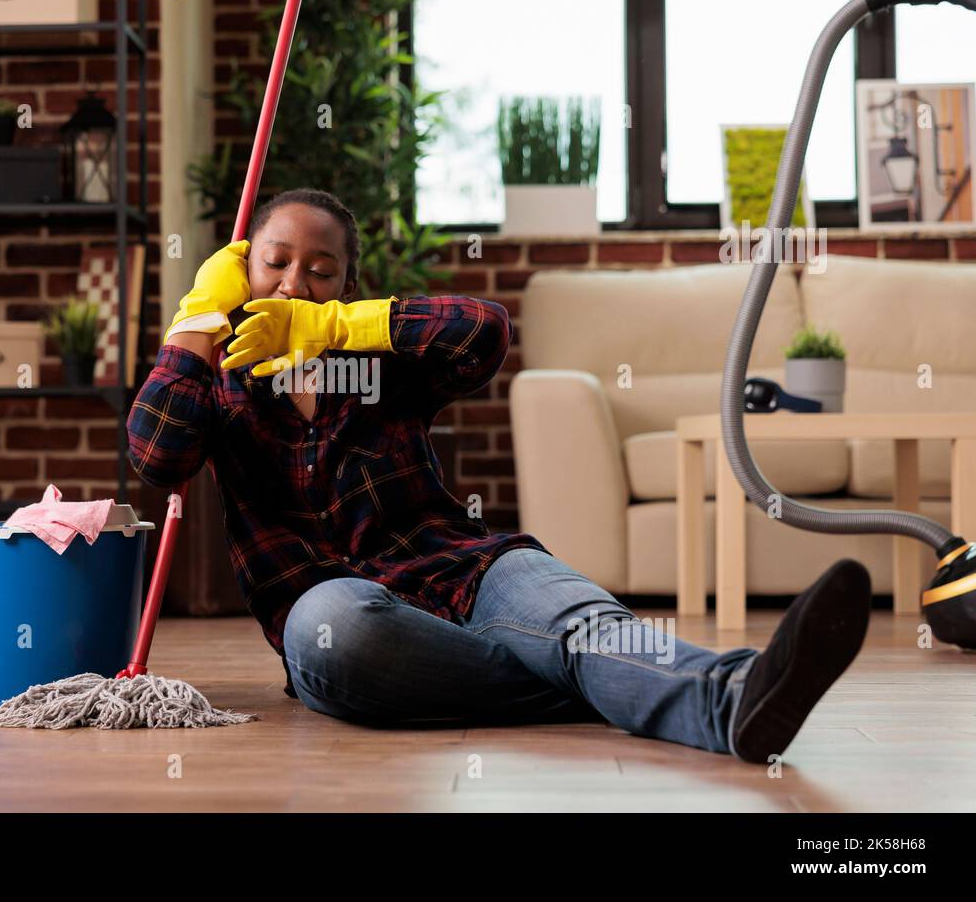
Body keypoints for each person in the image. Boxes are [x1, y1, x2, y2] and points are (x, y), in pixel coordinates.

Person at [127, 187, 871, 763]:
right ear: (239, 271)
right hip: (330, 610)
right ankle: (613, 681)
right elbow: (158, 455)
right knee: (343, 633)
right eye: (275, 261)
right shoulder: (218, 383)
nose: (296, 283)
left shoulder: (377, 367)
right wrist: (197, 320)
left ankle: (735, 700)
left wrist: (336, 330)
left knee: (582, 622)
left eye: (321, 272)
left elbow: (484, 331)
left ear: (347, 288)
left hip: (469, 568)